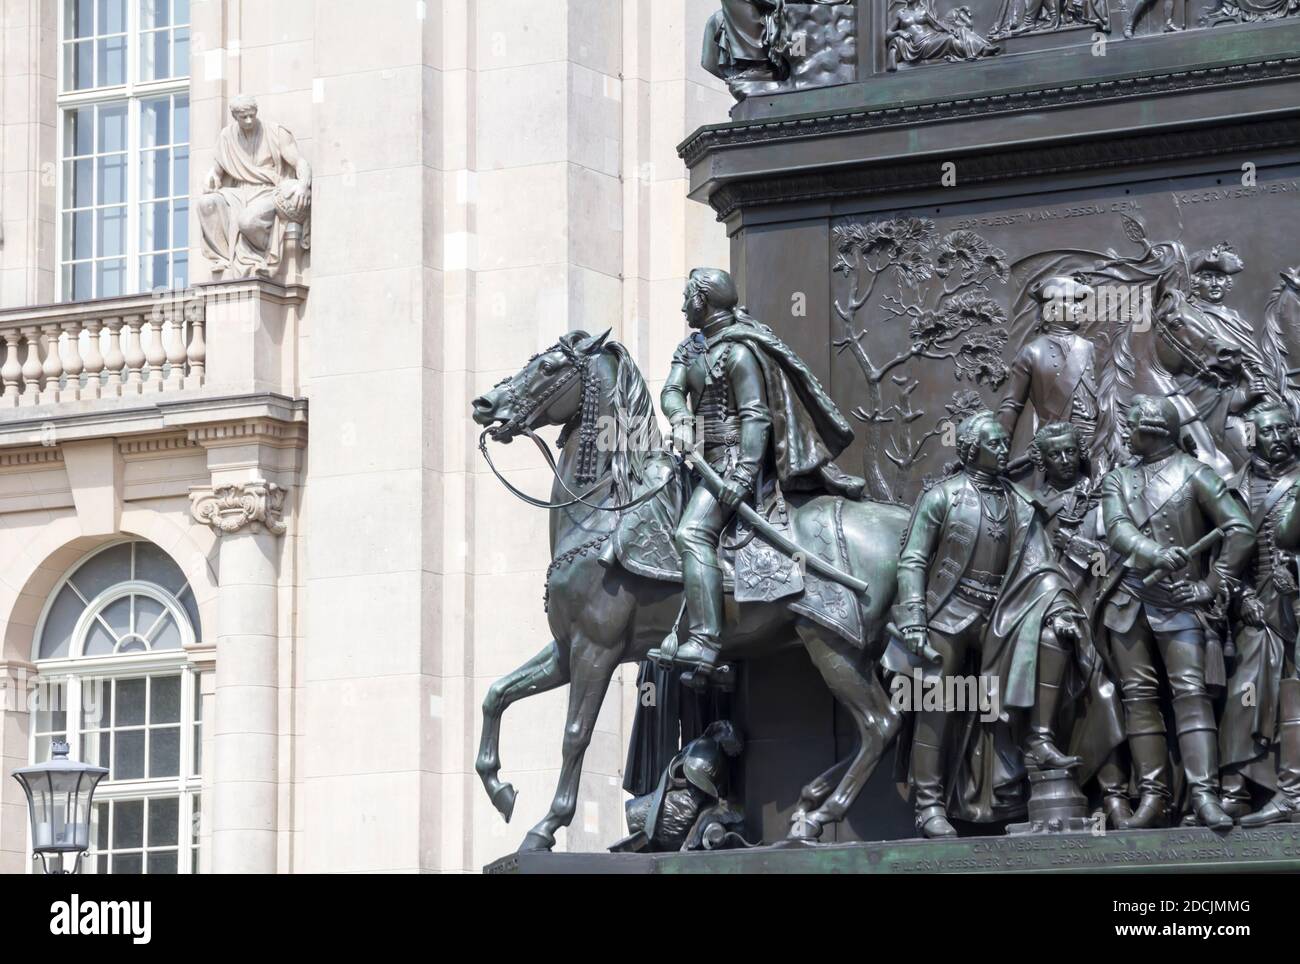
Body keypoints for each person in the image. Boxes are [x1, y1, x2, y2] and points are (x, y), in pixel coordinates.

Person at [647, 268, 863, 683]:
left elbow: (756, 417)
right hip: (696, 456)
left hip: (729, 462)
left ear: (703, 301)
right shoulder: (691, 348)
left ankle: (706, 642)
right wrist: (678, 418)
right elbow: (672, 390)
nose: (681, 306)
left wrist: (742, 477)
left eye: (687, 297)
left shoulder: (739, 352)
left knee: (691, 533)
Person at [892, 410, 1089, 837]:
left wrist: (1060, 609)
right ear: (969, 450)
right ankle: (928, 806)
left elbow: (1042, 566)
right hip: (947, 611)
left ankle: (1038, 740)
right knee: (936, 695)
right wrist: (914, 620)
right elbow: (912, 560)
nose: (1004, 449)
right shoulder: (942, 497)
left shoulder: (1020, 501)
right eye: (994, 443)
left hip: (1001, 614)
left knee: (1054, 636)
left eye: (1004, 442)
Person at [1099, 395, 1255, 829]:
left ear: (1151, 430)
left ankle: (1204, 795)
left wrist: (1209, 585)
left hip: (1180, 602)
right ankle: (1153, 796)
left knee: (1190, 695)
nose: (1125, 434)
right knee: (1139, 697)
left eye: (1131, 427)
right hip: (1130, 601)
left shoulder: (1195, 475)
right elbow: (1116, 528)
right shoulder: (1118, 480)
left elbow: (1239, 530)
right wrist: (1153, 552)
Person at [1223, 402, 1300, 823]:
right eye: (1265, 432)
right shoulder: (1235, 487)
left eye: (1281, 430)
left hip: (1296, 600)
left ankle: (1291, 792)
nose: (1274, 439)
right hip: (1257, 603)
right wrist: (1241, 595)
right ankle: (1237, 787)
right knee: (1246, 691)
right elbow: (1226, 558)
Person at [198, 95, 312, 278]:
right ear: (235, 117)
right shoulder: (226, 136)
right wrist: (211, 177)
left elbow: (299, 162)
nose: (250, 120)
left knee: (248, 221)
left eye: (252, 115)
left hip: (268, 191)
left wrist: (303, 185)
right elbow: (217, 171)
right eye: (244, 117)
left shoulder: (276, 132)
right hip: (238, 192)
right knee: (206, 203)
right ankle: (224, 260)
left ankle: (261, 255)